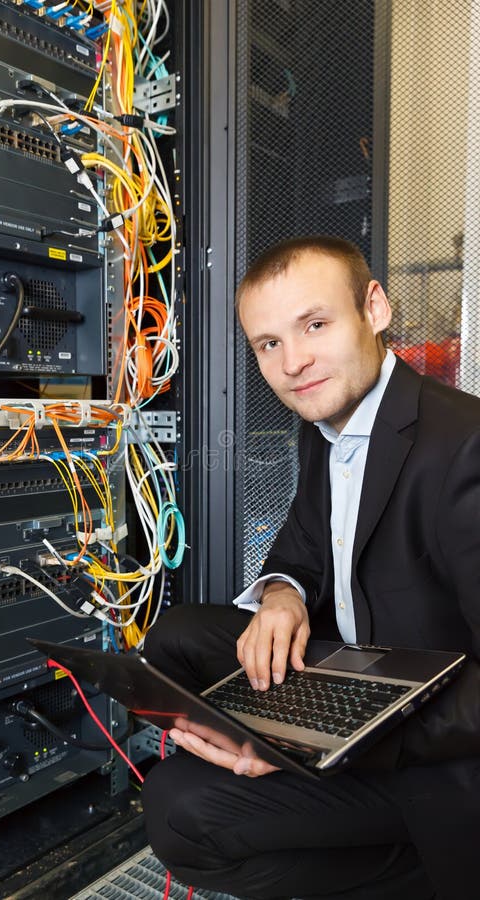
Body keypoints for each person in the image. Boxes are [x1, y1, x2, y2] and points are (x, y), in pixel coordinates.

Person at [141, 236, 480, 900]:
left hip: (438, 751)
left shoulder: (464, 450)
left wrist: (334, 737)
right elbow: (300, 548)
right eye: (268, 344)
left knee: (181, 809)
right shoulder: (327, 420)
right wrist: (281, 597)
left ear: (374, 308)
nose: (293, 363)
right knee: (175, 637)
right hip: (368, 672)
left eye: (315, 325)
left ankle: (413, 869)